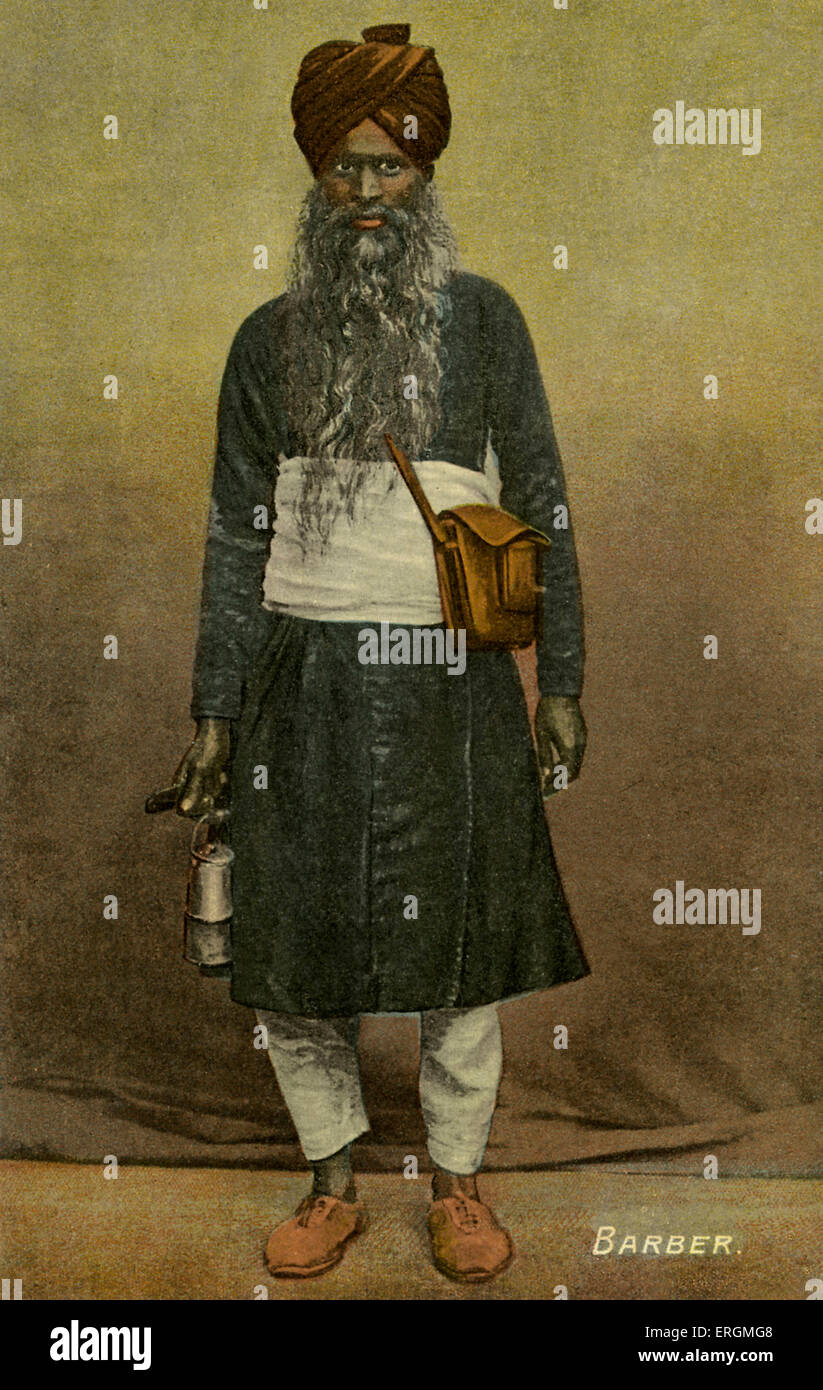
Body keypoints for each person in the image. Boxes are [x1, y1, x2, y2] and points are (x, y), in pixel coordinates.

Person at [159, 22, 589, 1284]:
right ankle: (331, 1180)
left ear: (425, 177)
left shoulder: (488, 323)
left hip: (455, 683)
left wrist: (556, 677)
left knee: (461, 954)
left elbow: (546, 503)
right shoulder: (262, 344)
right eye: (340, 168)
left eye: (388, 167)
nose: (363, 193)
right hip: (304, 687)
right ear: (312, 179)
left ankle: (457, 1185)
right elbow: (236, 540)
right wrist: (217, 709)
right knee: (296, 950)